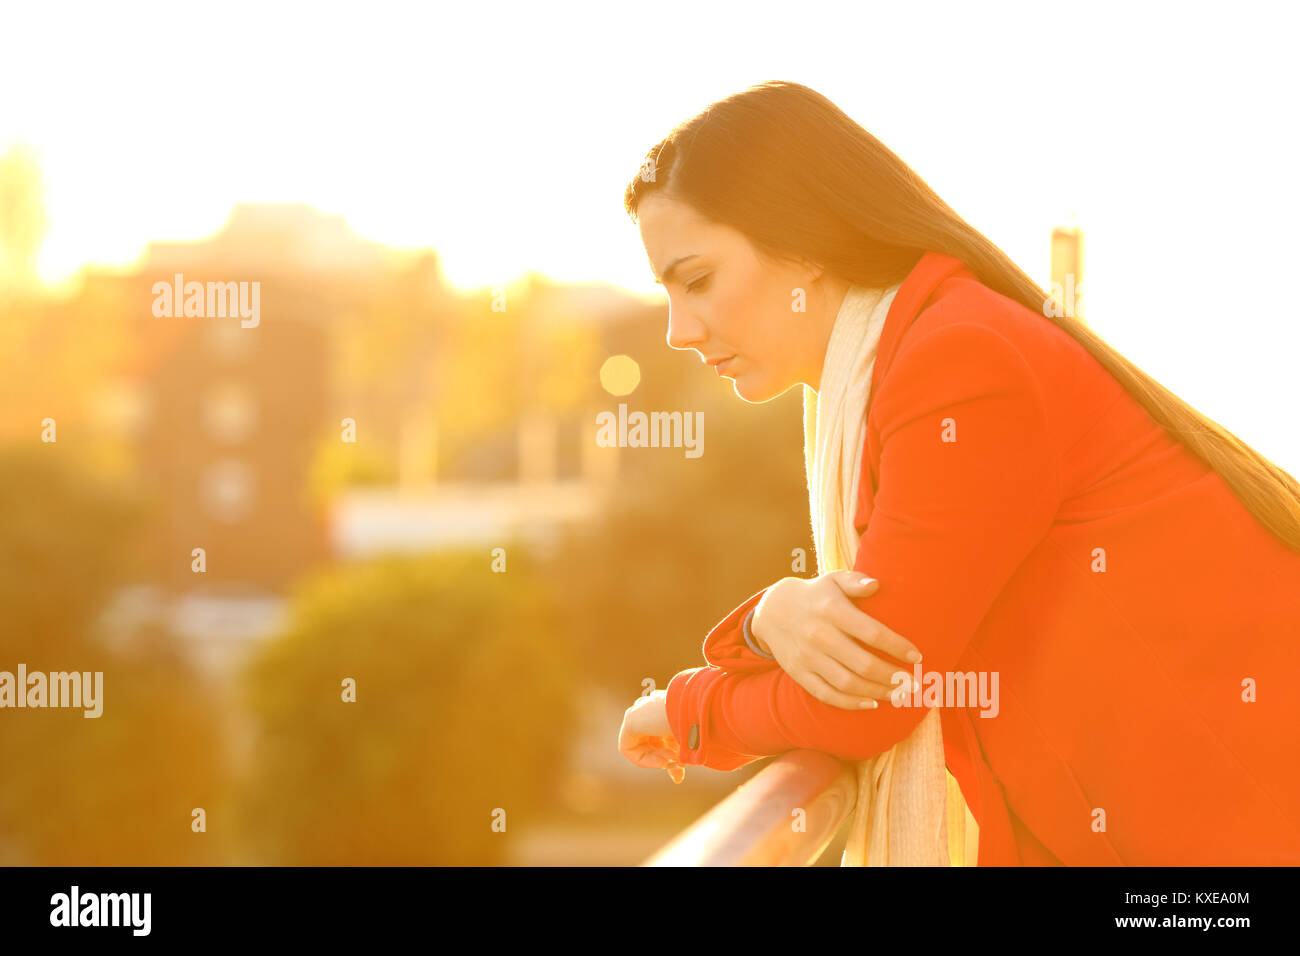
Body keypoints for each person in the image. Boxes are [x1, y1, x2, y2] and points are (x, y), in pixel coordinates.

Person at [616, 81, 1300, 865]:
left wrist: (688, 708)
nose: (677, 329)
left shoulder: (960, 360)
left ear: (803, 242)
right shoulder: (918, 358)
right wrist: (768, 621)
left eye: (696, 279)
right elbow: (887, 649)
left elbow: (873, 697)